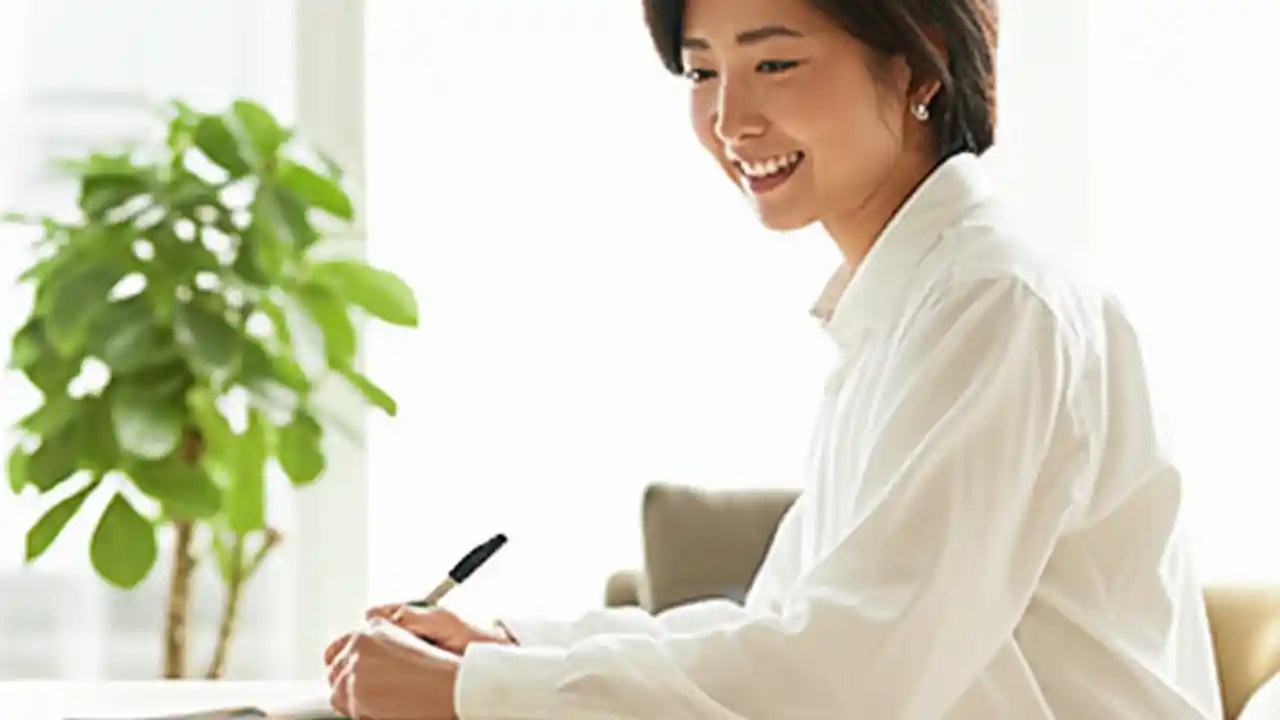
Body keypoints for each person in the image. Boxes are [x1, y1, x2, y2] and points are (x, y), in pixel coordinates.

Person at [323, 0, 1225, 716]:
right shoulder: (911, 299)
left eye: (775, 63)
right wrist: (506, 648)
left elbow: (846, 677)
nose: (729, 119)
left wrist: (476, 692)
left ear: (918, 65)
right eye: (701, 70)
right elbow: (783, 632)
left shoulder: (993, 301)